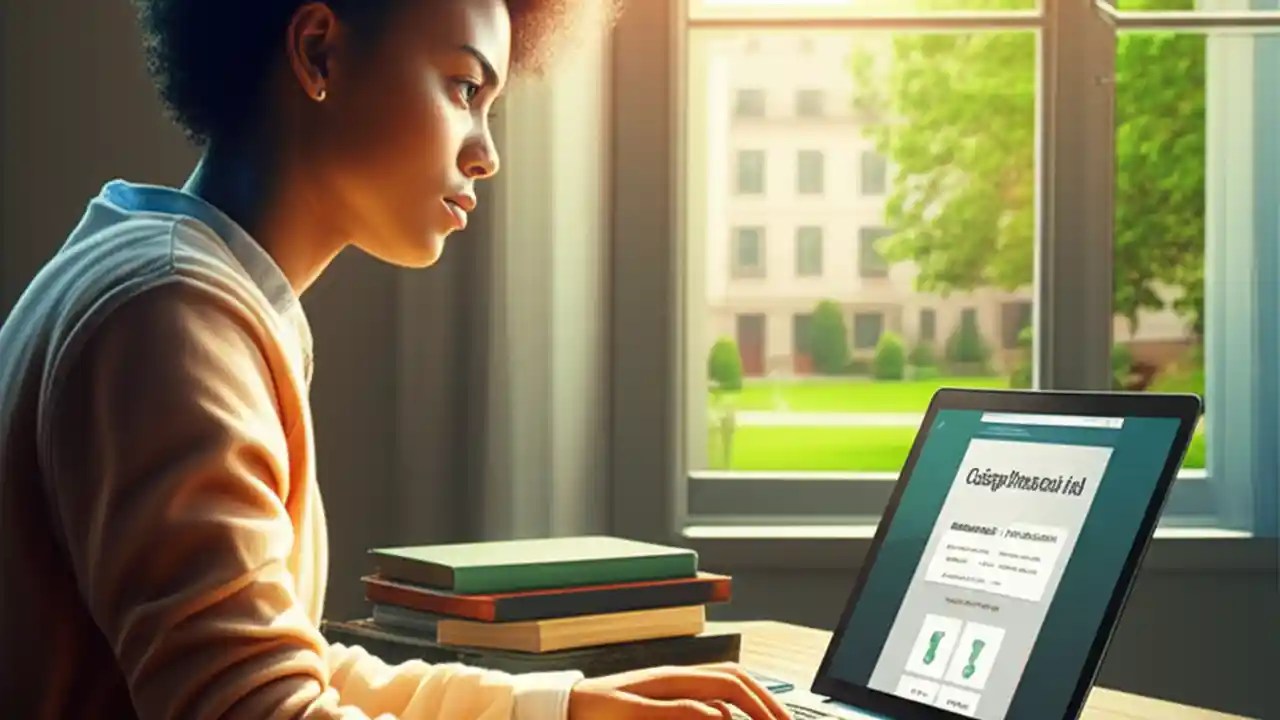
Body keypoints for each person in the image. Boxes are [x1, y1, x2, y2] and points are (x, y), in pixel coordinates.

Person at [0, 1, 793, 718]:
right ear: (319, 52)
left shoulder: (165, 276)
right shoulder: (173, 317)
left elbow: (285, 661)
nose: (486, 155)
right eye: (463, 88)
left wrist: (564, 708)